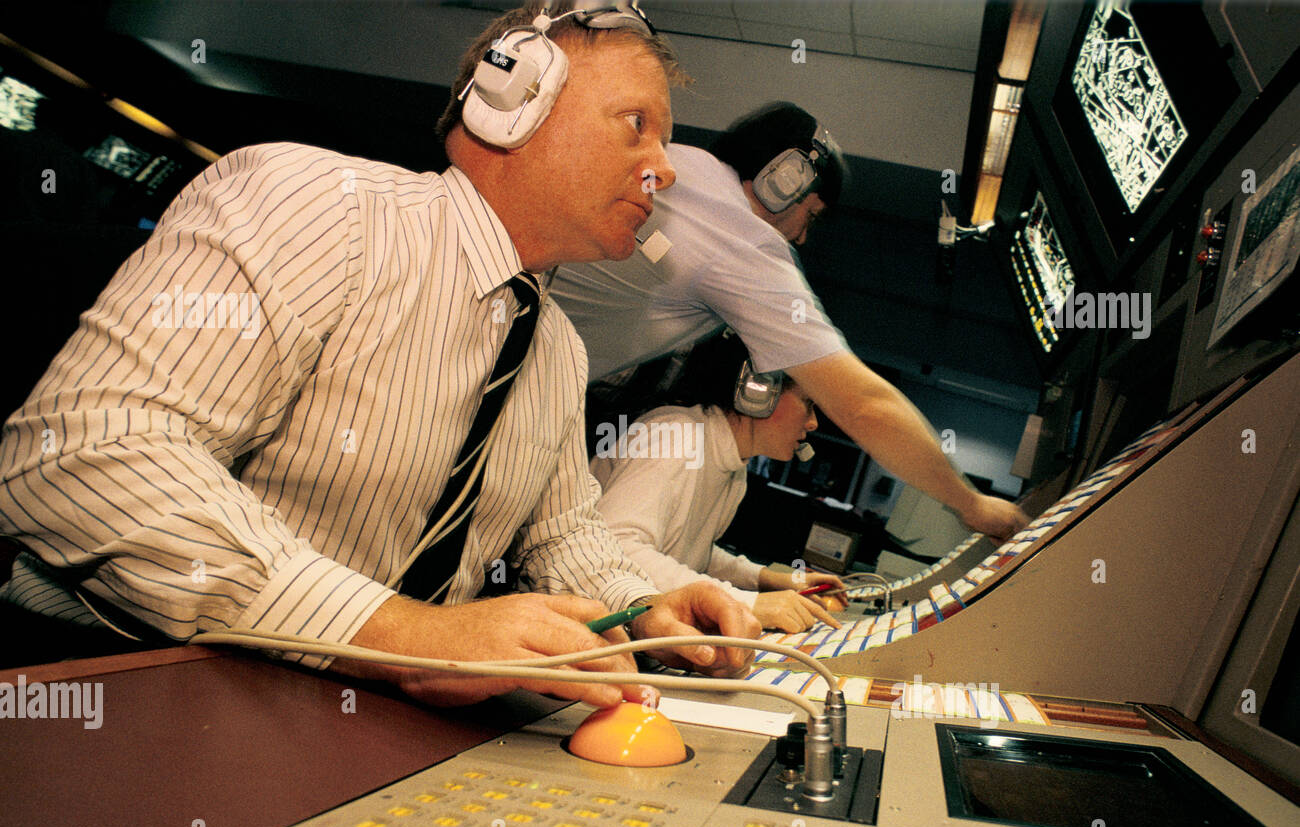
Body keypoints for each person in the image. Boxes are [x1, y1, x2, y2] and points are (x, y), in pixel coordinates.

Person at [0, 2, 759, 707]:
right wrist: (402, 635)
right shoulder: (314, 204)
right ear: (512, 97)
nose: (664, 168)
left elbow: (559, 533)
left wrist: (643, 603)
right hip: (122, 680)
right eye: (637, 125)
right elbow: (81, 454)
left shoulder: (554, 346)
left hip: (343, 717)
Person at [551, 102, 1030, 543]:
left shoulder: (685, 163)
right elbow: (864, 405)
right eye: (812, 215)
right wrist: (973, 505)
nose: (801, 236)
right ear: (785, 180)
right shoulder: (743, 244)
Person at [591, 333, 846, 634]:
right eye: (808, 403)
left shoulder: (731, 464)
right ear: (759, 391)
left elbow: (690, 553)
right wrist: (744, 603)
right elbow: (614, 548)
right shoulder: (677, 436)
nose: (813, 423)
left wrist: (769, 579)